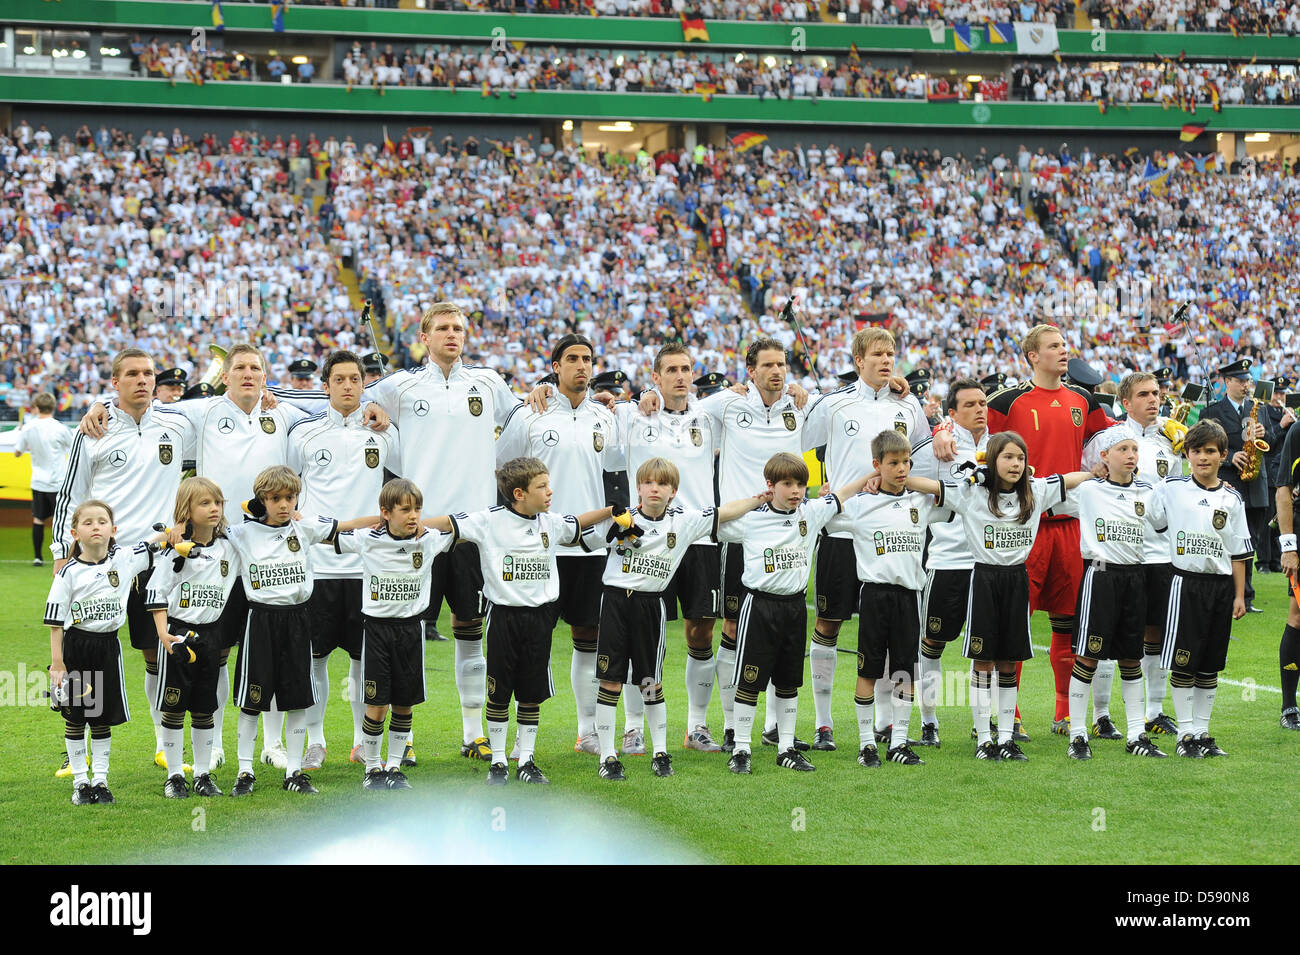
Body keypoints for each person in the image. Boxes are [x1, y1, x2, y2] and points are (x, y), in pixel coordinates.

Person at [933, 324, 1113, 736]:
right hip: (1021, 525)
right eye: (1054, 347)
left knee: (1067, 623)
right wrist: (942, 430)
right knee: (1015, 622)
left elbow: (1111, 438)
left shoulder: (1083, 399)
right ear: (1033, 355)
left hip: (1068, 523)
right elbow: (967, 428)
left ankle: (1065, 712)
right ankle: (1009, 715)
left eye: (1064, 346)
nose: (1063, 352)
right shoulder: (1008, 400)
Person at [362, 303, 521, 763]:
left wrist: (538, 399)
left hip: (471, 532)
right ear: (424, 335)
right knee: (407, 633)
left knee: (471, 632)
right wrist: (372, 407)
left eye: (458, 329)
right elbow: (357, 407)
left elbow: (522, 419)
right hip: (416, 532)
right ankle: (402, 739)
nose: (452, 335)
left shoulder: (488, 381)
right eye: (443, 328)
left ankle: (474, 734)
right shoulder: (399, 385)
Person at [424, 457, 618, 785]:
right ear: (519, 493)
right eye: (542, 486)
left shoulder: (549, 522)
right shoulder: (489, 520)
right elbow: (446, 523)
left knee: (531, 694)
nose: (550, 491)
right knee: (499, 693)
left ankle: (527, 759)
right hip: (504, 618)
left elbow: (577, 523)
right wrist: (408, 524)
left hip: (540, 620)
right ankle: (498, 761)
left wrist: (611, 511)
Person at [905, 432, 1092, 761]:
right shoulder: (972, 493)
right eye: (1007, 457)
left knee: (1009, 660)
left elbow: (1067, 480)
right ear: (992, 461)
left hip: (1017, 580)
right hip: (984, 579)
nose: (1015, 464)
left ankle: (1006, 738)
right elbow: (932, 487)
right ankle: (984, 740)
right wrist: (894, 477)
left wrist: (1097, 473)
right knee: (984, 661)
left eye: (1020, 458)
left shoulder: (1035, 490)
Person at [585, 457, 772, 782]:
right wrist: (608, 517)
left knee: (649, 682)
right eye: (648, 483)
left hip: (650, 605)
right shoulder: (622, 519)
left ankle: (660, 752)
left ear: (673, 492)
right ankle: (608, 756)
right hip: (615, 602)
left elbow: (725, 512)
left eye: (663, 484)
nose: (655, 489)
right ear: (638, 487)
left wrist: (758, 500)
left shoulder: (684, 521)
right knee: (610, 680)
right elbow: (579, 538)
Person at [54, 349, 192, 775]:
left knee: (159, 655)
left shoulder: (178, 423)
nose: (143, 380)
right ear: (114, 383)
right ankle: (75, 751)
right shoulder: (94, 429)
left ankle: (163, 744)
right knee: (84, 652)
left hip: (158, 558)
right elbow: (70, 494)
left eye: (149, 373)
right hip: (102, 562)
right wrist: (63, 554)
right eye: (132, 374)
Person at [801, 326, 928, 751]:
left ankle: (890, 724)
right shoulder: (833, 405)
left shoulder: (908, 406)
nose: (887, 360)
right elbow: (796, 443)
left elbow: (923, 460)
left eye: (891, 353)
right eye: (877, 354)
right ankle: (822, 723)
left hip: (891, 530)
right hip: (842, 527)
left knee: (891, 629)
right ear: (858, 360)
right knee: (828, 622)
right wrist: (821, 488)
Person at [497, 334, 622, 756]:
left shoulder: (605, 417)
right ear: (555, 366)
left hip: (590, 545)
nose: (581, 366)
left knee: (589, 636)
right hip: (540, 546)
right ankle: (521, 735)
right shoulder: (530, 413)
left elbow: (617, 471)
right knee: (533, 640)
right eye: (572, 359)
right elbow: (503, 469)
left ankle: (586, 730)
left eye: (587, 359)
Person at [224, 466, 378, 796]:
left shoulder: (304, 528)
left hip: (297, 621)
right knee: (253, 701)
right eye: (275, 498)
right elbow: (206, 531)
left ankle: (294, 771)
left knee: (296, 700)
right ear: (262, 499)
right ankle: (245, 770)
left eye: (290, 498)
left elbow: (347, 527)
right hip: (261, 621)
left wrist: (383, 519)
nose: (283, 504)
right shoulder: (241, 533)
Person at [287, 350, 401, 771]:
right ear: (327, 384)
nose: (349, 386)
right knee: (314, 658)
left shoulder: (385, 433)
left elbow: (404, 484)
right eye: (340, 379)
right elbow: (287, 490)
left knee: (363, 660)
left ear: (364, 383)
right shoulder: (304, 433)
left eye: (356, 379)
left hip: (367, 564)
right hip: (316, 565)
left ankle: (359, 739)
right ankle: (316, 740)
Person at [612, 343, 725, 752]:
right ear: (654, 376)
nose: (681, 376)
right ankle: (633, 726)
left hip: (697, 535)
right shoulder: (630, 414)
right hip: (640, 534)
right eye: (671, 370)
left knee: (701, 630)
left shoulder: (710, 415)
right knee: (635, 634)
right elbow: (594, 402)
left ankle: (696, 727)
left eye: (686, 369)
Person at [826, 429, 954, 768]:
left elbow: (955, 499)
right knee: (868, 670)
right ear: (876, 465)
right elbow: (823, 514)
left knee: (904, 672)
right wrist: (858, 483)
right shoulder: (861, 506)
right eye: (893, 463)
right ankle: (867, 744)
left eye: (906, 462)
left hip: (909, 596)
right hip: (874, 594)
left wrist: (917, 482)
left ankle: (899, 742)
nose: (901, 469)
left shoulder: (919, 502)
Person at [716, 452, 843, 775]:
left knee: (788, 682)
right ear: (771, 486)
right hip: (759, 607)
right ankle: (741, 748)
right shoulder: (751, 519)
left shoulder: (810, 515)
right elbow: (717, 518)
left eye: (801, 484)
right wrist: (753, 501)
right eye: (787, 484)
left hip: (795, 607)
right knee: (749, 681)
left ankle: (786, 747)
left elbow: (842, 497)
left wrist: (866, 483)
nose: (796, 490)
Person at [334, 478, 456, 790]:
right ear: (386, 513)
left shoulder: (429, 539)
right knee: (377, 705)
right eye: (405, 510)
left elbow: (466, 528)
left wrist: (423, 524)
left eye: (417, 509)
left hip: (411, 630)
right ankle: (372, 769)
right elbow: (325, 535)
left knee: (404, 704)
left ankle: (394, 766)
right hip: (376, 629)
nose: (414, 515)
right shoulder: (368, 539)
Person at [1081, 372, 1182, 739]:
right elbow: (1087, 479)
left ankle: (1154, 710)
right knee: (1108, 634)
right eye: (1144, 394)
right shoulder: (1108, 438)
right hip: (1117, 551)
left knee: (1154, 630)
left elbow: (1177, 490)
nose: (1153, 399)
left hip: (1160, 551)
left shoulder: (1172, 438)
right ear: (1126, 402)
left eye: (1156, 393)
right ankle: (1101, 713)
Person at [1058, 426, 1169, 759]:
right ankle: (1078, 735)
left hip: (1135, 577)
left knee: (1131, 658)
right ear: (1104, 456)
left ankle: (1136, 734)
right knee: (1088, 657)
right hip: (1101, 577)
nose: (1131, 455)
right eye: (1123, 449)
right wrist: (1084, 473)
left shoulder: (1147, 492)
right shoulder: (1089, 490)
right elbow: (1050, 492)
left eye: (1134, 449)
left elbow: (1162, 525)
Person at [45, 500, 166, 805]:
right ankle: (81, 783)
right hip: (76, 649)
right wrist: (57, 663)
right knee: (75, 719)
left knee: (101, 719)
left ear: (113, 530)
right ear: (75, 533)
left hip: (107, 648)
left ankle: (101, 780)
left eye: (102, 522)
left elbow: (148, 544)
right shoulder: (68, 574)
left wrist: (168, 533)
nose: (95, 526)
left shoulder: (123, 561)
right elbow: (55, 624)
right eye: (88, 522)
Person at [1151, 419, 1251, 757]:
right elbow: (1155, 519)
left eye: (1211, 451)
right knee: (1184, 663)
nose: (1203, 457)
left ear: (1223, 455)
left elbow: (1239, 553)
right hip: (1185, 584)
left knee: (1209, 666)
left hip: (1221, 588)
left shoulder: (1232, 499)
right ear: (1188, 455)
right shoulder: (1172, 487)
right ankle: (1185, 736)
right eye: (1197, 451)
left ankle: (1203, 733)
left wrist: (1239, 595)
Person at [144, 477, 241, 798]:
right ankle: (174, 775)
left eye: (218, 502)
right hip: (178, 634)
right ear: (187, 509)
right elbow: (156, 590)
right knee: (173, 708)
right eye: (205, 503)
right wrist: (162, 633)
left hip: (212, 635)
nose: (214, 509)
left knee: (204, 709)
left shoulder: (230, 547)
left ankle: (202, 775)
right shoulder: (176, 553)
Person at [909, 378, 988, 748]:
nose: (980, 410)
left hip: (988, 563)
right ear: (952, 413)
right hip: (946, 560)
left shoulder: (1002, 446)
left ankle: (983, 729)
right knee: (931, 643)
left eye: (983, 403)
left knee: (984, 650)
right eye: (970, 405)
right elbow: (905, 480)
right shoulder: (935, 447)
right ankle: (929, 722)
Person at [1199, 359, 1278, 614]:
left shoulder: (1259, 409)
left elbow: (1274, 445)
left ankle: (1246, 595)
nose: (1246, 385)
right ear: (1227, 382)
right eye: (1241, 381)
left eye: (1248, 381)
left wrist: (1267, 434)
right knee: (1224, 537)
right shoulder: (1212, 412)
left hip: (1256, 484)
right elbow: (1204, 444)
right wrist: (1231, 455)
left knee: (1250, 540)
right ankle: (1226, 593)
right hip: (1228, 483)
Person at [13, 392, 72, 567]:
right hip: (59, 482)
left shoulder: (28, 427)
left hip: (38, 481)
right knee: (60, 521)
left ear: (37, 407)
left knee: (38, 519)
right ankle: (62, 557)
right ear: (54, 407)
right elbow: (73, 447)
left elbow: (17, 452)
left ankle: (37, 557)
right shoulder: (60, 428)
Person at [1275, 416, 1300, 730]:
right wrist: (1289, 546)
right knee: (1298, 614)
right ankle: (1289, 706)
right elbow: (1283, 491)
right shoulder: (1298, 430)